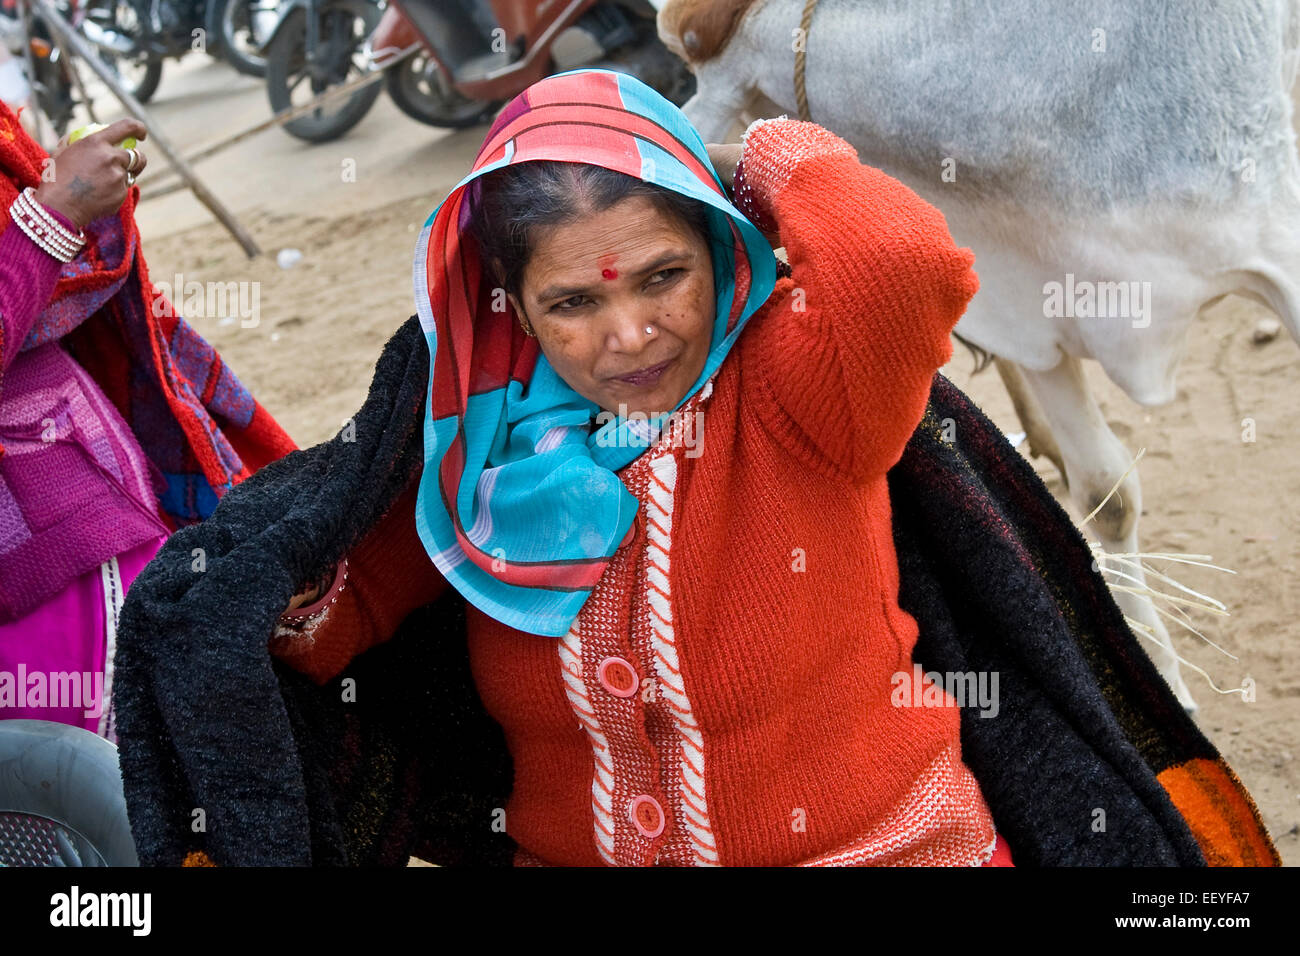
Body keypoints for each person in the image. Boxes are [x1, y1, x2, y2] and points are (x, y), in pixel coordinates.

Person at [271, 67, 1006, 867]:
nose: (630, 335)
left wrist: (743, 162)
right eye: (573, 303)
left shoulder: (801, 390)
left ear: (721, 248)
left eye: (664, 277)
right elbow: (346, 613)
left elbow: (900, 260)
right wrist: (290, 603)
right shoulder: (481, 450)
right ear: (515, 310)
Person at [0, 105, 295, 739]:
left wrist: (53, 188)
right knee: (96, 806)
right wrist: (54, 214)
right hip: (45, 576)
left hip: (83, 529)